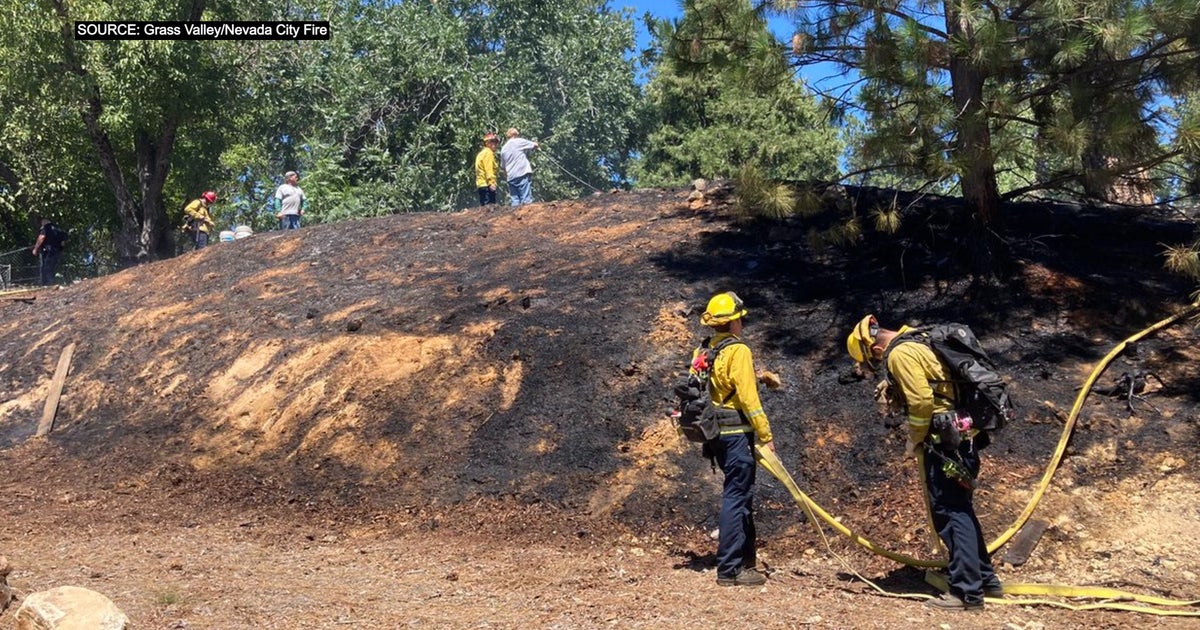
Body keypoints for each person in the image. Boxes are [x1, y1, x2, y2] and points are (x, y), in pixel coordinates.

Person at [846, 315, 1003, 610]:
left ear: (876, 350)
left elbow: (921, 402)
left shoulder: (900, 354)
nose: (878, 365)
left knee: (950, 512)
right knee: (960, 509)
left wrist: (914, 438)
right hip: (963, 436)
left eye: (874, 361)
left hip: (945, 441)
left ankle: (966, 593)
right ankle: (985, 580)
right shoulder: (920, 339)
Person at [695, 291, 775, 587]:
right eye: (740, 319)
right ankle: (730, 569)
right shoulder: (738, 351)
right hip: (737, 434)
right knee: (736, 497)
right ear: (734, 322)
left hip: (715, 434)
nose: (742, 323)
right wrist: (765, 435)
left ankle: (745, 559)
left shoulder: (704, 350)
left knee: (740, 495)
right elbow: (748, 399)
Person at [499, 128, 538, 206]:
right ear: (515, 134)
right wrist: (536, 144)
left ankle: (515, 213)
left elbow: (503, 166)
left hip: (511, 177)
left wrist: (507, 176)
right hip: (522, 173)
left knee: (515, 201)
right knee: (526, 199)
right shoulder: (519, 141)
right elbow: (534, 145)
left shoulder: (503, 149)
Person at [30, 218, 65, 286]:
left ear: (44, 222)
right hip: (56, 251)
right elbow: (63, 243)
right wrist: (60, 250)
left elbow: (41, 237)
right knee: (52, 267)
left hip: (48, 251)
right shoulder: (58, 229)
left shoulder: (46, 228)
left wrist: (35, 248)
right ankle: (52, 282)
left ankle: (48, 284)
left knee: (46, 267)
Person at [475, 133, 500, 206]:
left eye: (495, 142)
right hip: (487, 185)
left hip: (481, 185)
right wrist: (491, 182)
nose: (495, 145)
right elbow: (488, 169)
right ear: (487, 143)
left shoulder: (481, 153)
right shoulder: (488, 153)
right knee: (490, 209)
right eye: (492, 142)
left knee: (484, 208)